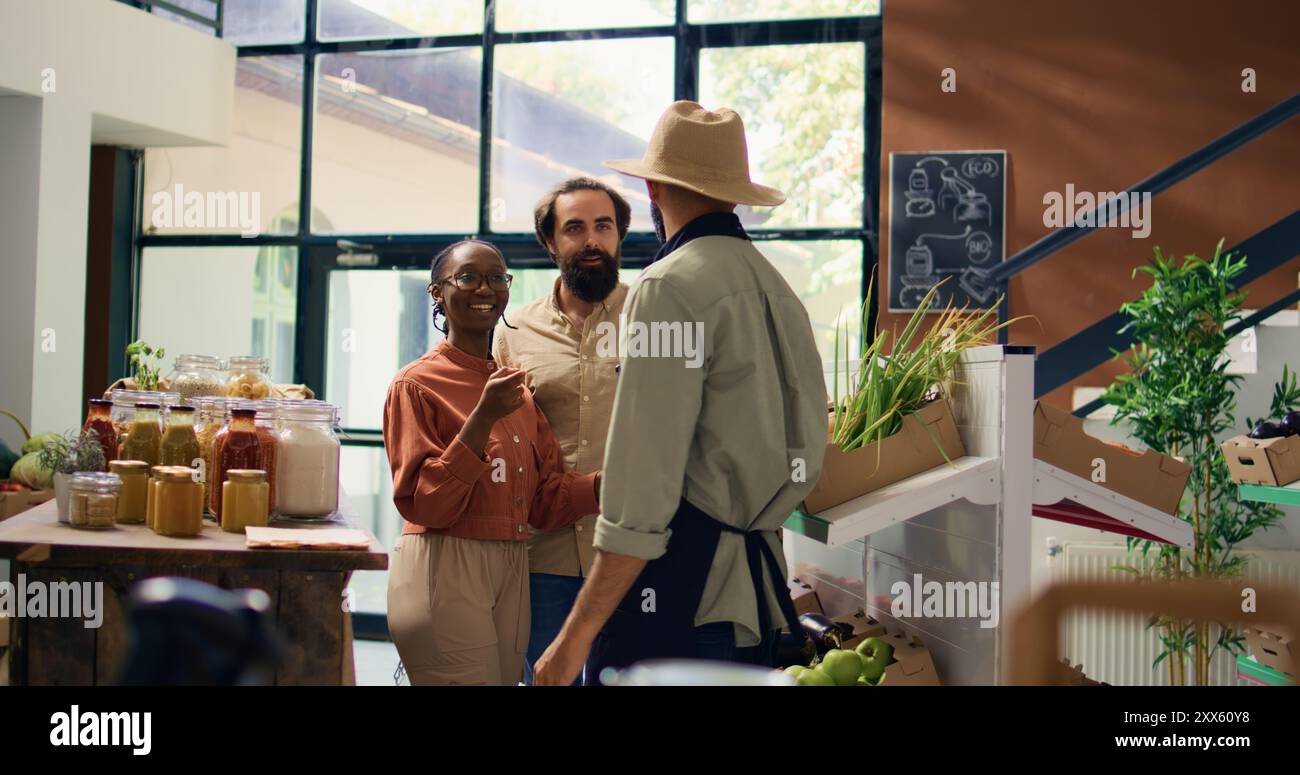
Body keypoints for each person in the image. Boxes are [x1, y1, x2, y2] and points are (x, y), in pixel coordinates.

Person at [533, 101, 829, 685]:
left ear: (653, 187)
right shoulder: (777, 288)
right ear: (735, 194)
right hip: (759, 600)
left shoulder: (668, 286)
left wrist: (572, 639)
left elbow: (641, 492)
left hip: (677, 598)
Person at [383, 239, 600, 686]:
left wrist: (606, 485)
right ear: (437, 292)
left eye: (497, 277)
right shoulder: (415, 384)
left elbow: (541, 503)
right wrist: (481, 418)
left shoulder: (514, 390)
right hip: (444, 565)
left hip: (513, 564)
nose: (485, 288)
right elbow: (426, 504)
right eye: (468, 277)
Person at [492, 177, 632, 685]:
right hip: (541, 559)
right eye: (574, 228)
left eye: (603, 226)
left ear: (619, 237)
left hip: (632, 554)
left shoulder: (655, 318)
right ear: (550, 243)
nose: (591, 240)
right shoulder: (513, 332)